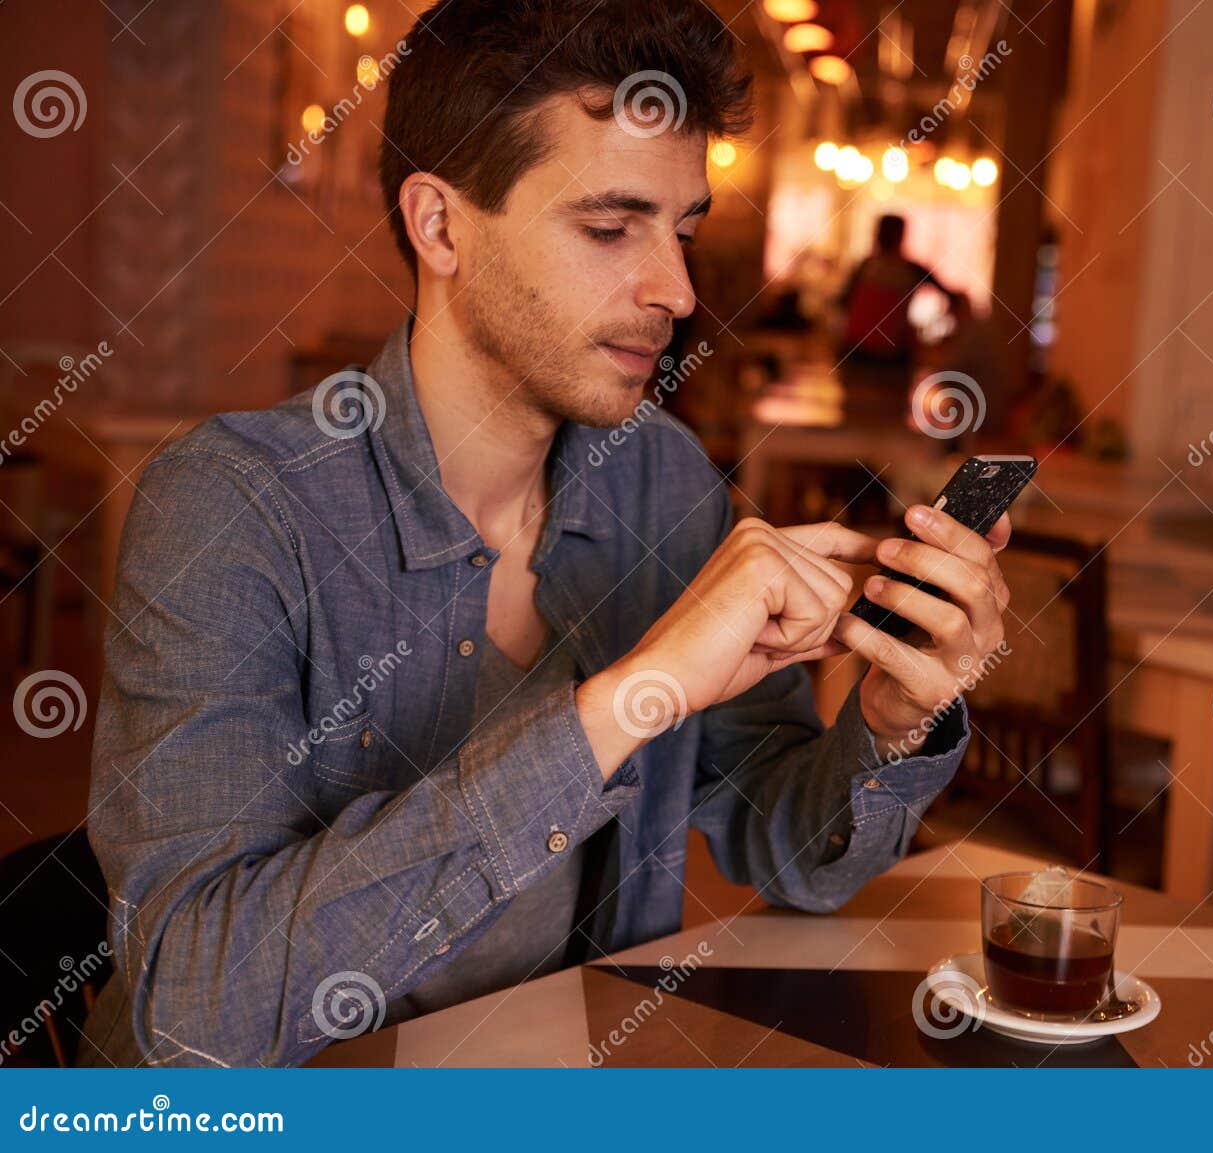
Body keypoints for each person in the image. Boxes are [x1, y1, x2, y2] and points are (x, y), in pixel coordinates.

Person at [77, 0, 1014, 1067]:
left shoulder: (659, 482)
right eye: (610, 229)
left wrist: (891, 719)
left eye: (684, 231)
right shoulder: (233, 506)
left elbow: (792, 850)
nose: (676, 290)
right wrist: (626, 699)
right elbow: (191, 1004)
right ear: (439, 227)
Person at [838, 214, 956, 384]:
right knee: (889, 407)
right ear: (901, 236)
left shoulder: (864, 267)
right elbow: (953, 298)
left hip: (858, 352)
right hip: (890, 356)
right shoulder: (911, 269)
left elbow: (843, 303)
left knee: (858, 404)